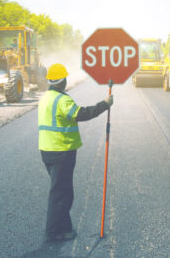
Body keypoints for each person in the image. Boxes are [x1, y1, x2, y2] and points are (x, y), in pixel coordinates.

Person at [37, 63, 112, 242]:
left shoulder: (46, 97)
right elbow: (82, 114)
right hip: (61, 151)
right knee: (60, 192)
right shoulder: (63, 100)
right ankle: (54, 231)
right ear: (63, 81)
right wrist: (105, 104)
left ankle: (64, 227)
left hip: (48, 150)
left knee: (62, 191)